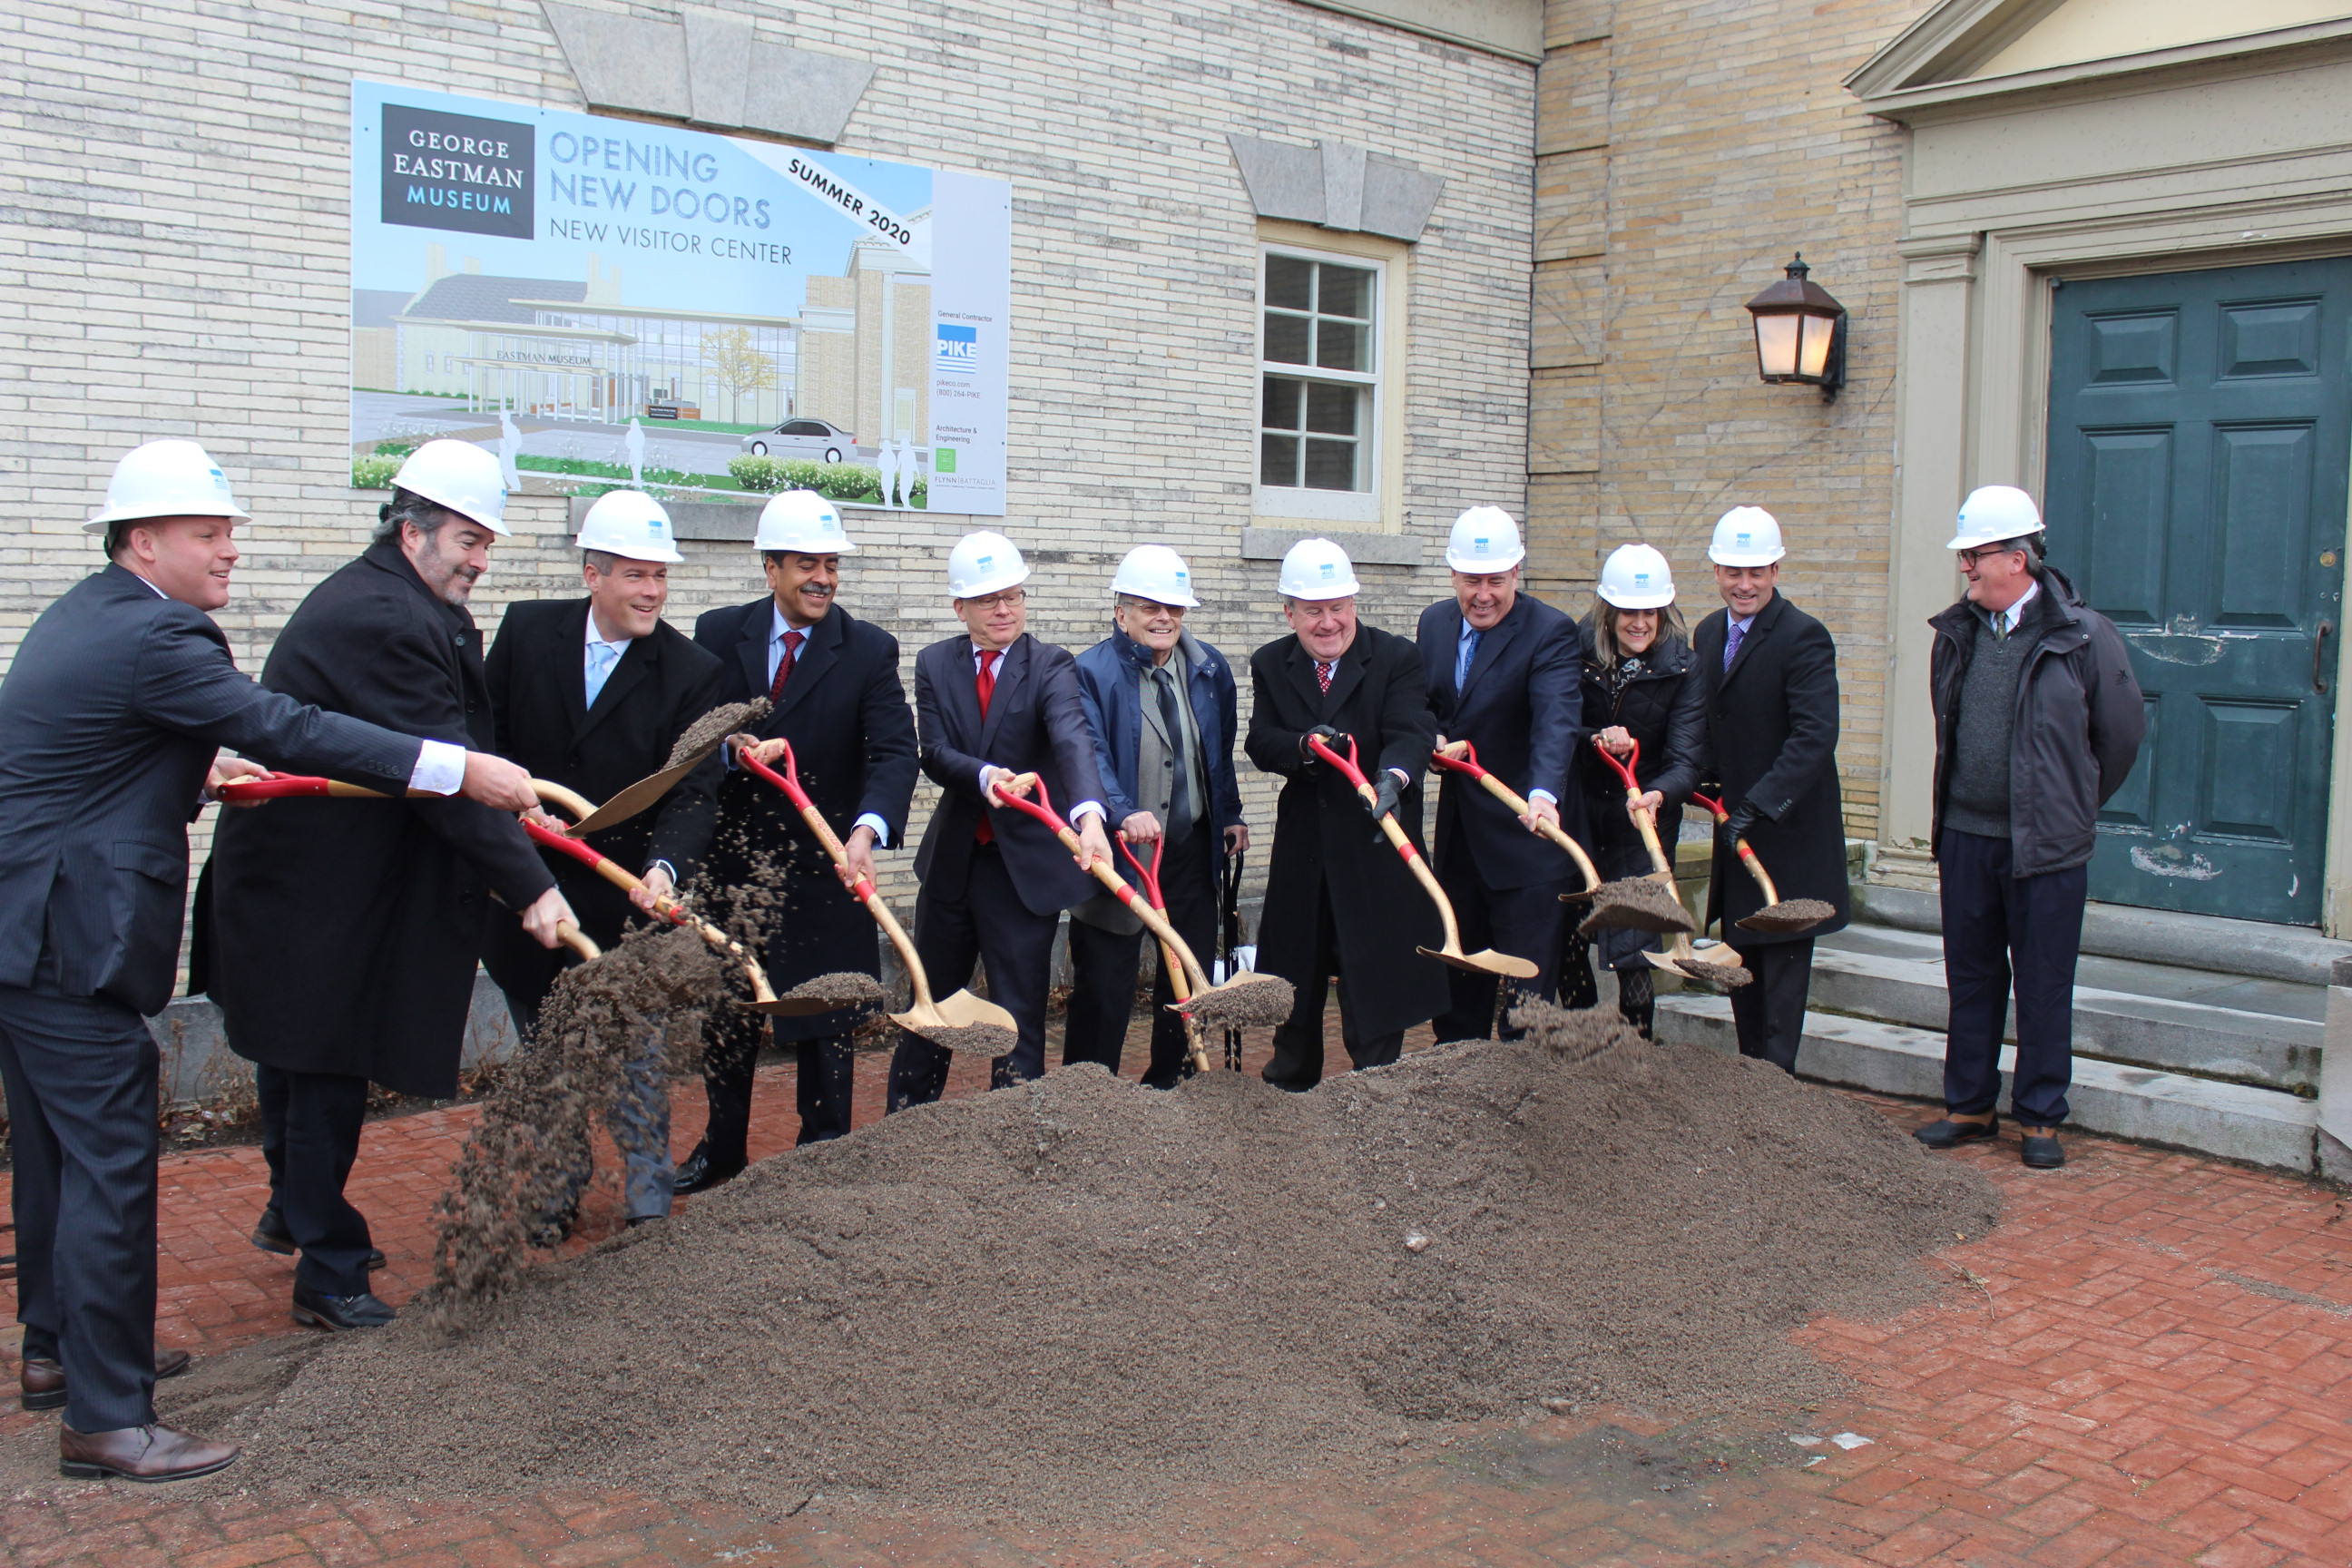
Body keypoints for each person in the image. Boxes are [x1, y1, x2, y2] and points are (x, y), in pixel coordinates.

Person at [0, 439, 540, 1481]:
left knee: (55, 1161)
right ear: (142, 540)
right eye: (208, 533)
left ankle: (56, 1352)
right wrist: (456, 768)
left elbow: (87, 752)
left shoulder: (84, 614)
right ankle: (109, 1420)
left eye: (230, 532)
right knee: (110, 1172)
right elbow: (283, 724)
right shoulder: (162, 634)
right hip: (73, 946)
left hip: (24, 932)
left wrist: (191, 768)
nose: (230, 551)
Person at [201, 440, 575, 1331]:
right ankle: (327, 1271)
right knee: (322, 1070)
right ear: (413, 532)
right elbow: (441, 775)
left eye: (487, 543)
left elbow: (453, 759)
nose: (481, 561)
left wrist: (515, 806)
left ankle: (295, 1208)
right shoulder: (385, 620)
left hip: (315, 879)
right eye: (469, 541)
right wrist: (529, 884)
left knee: (299, 1060)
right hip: (314, 890)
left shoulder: (401, 599)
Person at [482, 490, 725, 1226]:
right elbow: (485, 737)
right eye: (635, 575)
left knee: (635, 1058)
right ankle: (556, 1192)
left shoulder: (691, 671)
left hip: (624, 899)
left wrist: (665, 870)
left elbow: (692, 792)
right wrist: (513, 804)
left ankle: (648, 1197)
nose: (652, 591)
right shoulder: (527, 632)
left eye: (660, 575)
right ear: (593, 574)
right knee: (545, 1056)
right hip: (528, 890)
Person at [677, 491, 916, 1188]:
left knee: (824, 1018)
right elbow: (693, 738)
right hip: (735, 870)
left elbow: (894, 753)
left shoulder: (867, 649)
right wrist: (729, 751)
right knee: (728, 1019)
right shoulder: (719, 633)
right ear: (771, 567)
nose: (823, 578)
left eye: (831, 564)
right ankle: (722, 1151)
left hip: (825, 867)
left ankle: (824, 1154)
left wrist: (866, 833)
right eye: (808, 564)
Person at [1915, 485, 2144, 1171]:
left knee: (2044, 982)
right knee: (1971, 977)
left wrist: (2069, 804)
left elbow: (2121, 735)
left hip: (2044, 846)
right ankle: (1970, 1106)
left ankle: (2040, 1116)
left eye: (1975, 555)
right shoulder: (1956, 633)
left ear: (2017, 559)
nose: (1965, 567)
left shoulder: (2083, 635)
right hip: (1966, 837)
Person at [887, 531, 1113, 1108]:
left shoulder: (1050, 665)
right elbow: (935, 752)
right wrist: (986, 776)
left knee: (1017, 1017)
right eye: (988, 600)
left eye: (1012, 596)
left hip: (1021, 873)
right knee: (929, 1006)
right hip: (954, 864)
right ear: (959, 606)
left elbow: (1073, 739)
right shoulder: (936, 663)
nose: (1004, 609)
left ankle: (1014, 1132)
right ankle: (905, 1124)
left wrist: (1089, 817)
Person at [1245, 538, 1446, 1088]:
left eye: (1338, 607)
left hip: (1376, 848)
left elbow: (1412, 730)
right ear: (1289, 612)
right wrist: (1304, 746)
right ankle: (1290, 1089)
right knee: (1295, 981)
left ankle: (1372, 1092)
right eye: (1313, 611)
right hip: (1305, 856)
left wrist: (1395, 778)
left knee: (1374, 983)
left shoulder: (1396, 658)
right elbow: (1261, 740)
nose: (1328, 622)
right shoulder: (1271, 663)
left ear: (1354, 604)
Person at [1065, 545, 1247, 1086]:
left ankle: (1171, 1087)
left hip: (1189, 854)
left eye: (1173, 606)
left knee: (1186, 983)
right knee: (1105, 991)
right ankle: (1089, 1097)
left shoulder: (1209, 668)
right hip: (1119, 859)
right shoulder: (1088, 673)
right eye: (1149, 607)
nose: (1164, 617)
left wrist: (1230, 813)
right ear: (1121, 612)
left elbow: (1218, 750)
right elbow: (1089, 756)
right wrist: (1122, 813)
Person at [1690, 506, 1850, 1072]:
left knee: (1781, 982)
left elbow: (1814, 737)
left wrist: (1758, 805)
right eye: (1733, 572)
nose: (1745, 584)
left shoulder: (1804, 637)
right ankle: (1750, 1085)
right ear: (1716, 571)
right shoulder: (1709, 633)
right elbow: (1710, 723)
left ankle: (1778, 1091)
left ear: (1776, 571)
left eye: (1756, 572)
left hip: (1788, 837)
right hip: (1736, 835)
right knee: (1744, 974)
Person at [1416, 506, 1582, 1040]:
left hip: (1526, 843)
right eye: (1472, 581)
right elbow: (1427, 705)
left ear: (1516, 573)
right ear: (1453, 575)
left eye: (1495, 581)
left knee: (1525, 1007)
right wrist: (1430, 736)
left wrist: (1543, 793)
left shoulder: (1550, 631)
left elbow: (1556, 720)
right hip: (1462, 843)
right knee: (1459, 998)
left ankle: (1524, 1089)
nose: (1483, 594)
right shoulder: (1434, 624)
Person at [1566, 543, 1706, 1039]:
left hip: (1641, 822)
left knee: (1634, 954)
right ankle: (1581, 1046)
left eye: (1651, 611)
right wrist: (1595, 739)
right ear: (1609, 609)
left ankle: (1636, 1057)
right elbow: (1558, 726)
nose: (1641, 623)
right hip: (1580, 818)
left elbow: (1686, 760)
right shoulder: (1575, 652)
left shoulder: (1684, 667)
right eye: (1629, 611)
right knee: (1567, 942)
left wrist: (1658, 794)